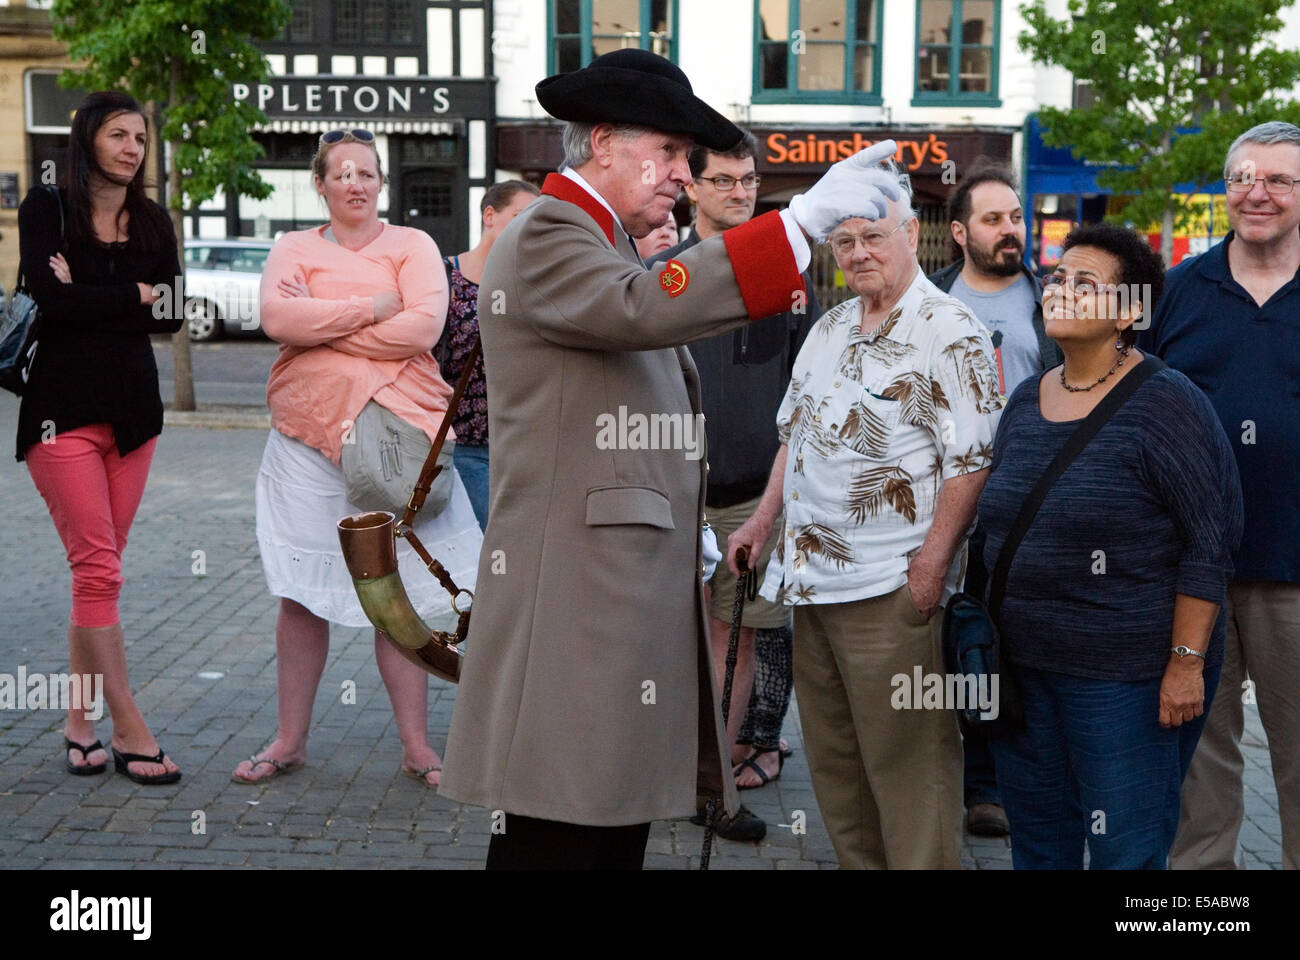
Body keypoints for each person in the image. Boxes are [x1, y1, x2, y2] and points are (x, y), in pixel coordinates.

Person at [436, 48, 902, 870]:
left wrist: (682, 517)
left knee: (598, 817)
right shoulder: (550, 229)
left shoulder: (595, 238)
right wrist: (794, 227)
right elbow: (646, 307)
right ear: (604, 143)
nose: (684, 176)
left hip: (604, 579)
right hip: (578, 588)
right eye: (672, 153)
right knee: (564, 826)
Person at [729, 164, 1003, 869]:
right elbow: (795, 436)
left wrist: (931, 568)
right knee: (838, 769)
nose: (857, 253)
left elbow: (972, 462)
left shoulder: (952, 330)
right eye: (843, 241)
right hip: (812, 585)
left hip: (893, 589)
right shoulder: (831, 326)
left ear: (912, 233)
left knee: (910, 771)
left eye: (873, 237)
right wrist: (761, 523)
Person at [982, 223, 1242, 869]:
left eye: (1086, 283)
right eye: (1058, 277)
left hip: (1125, 680)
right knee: (1039, 846)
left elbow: (1209, 543)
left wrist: (1185, 665)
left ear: (1129, 313)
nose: (1061, 290)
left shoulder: (1167, 403)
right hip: (1024, 672)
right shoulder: (1025, 400)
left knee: (1127, 850)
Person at [231, 129, 482, 788]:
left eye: (366, 172)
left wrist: (323, 331)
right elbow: (278, 320)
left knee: (395, 596)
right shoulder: (292, 248)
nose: (355, 183)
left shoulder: (413, 245)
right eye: (341, 173)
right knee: (301, 597)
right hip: (305, 442)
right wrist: (370, 308)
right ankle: (289, 741)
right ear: (320, 184)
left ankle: (417, 748)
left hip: (395, 443)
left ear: (381, 182)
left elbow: (422, 328)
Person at [648, 130, 819, 841]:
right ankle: (659, 772)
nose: (740, 192)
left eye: (748, 179)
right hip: (673, 492)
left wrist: (780, 501)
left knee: (738, 638)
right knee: (668, 641)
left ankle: (712, 784)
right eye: (722, 180)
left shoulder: (787, 275)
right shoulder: (662, 275)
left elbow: (804, 395)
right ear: (690, 186)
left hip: (754, 494)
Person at [16, 91, 183, 785]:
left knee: (98, 577)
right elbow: (49, 303)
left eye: (140, 138)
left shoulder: (152, 220)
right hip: (61, 417)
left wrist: (95, 296)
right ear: (88, 139)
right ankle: (130, 728)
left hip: (135, 419)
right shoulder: (46, 207)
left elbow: (172, 312)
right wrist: (133, 294)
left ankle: (78, 722)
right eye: (118, 134)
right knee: (99, 571)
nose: (132, 148)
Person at [1148, 121, 1300, 871]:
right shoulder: (1179, 290)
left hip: (1295, 576)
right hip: (1192, 574)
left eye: (1278, 180)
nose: (1257, 193)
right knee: (1197, 766)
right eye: (1243, 178)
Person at [928, 160, 1063, 838]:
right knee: (949, 639)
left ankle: (997, 784)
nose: (1010, 230)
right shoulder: (927, 299)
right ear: (960, 232)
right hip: (939, 501)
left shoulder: (1052, 301)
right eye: (992, 220)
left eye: (1015, 217)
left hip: (1029, 504)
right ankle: (950, 776)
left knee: (1009, 642)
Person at [439, 179, 539, 530]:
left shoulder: (530, 283)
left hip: (521, 445)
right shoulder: (445, 277)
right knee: (484, 543)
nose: (528, 227)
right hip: (461, 444)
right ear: (490, 216)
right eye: (519, 216)